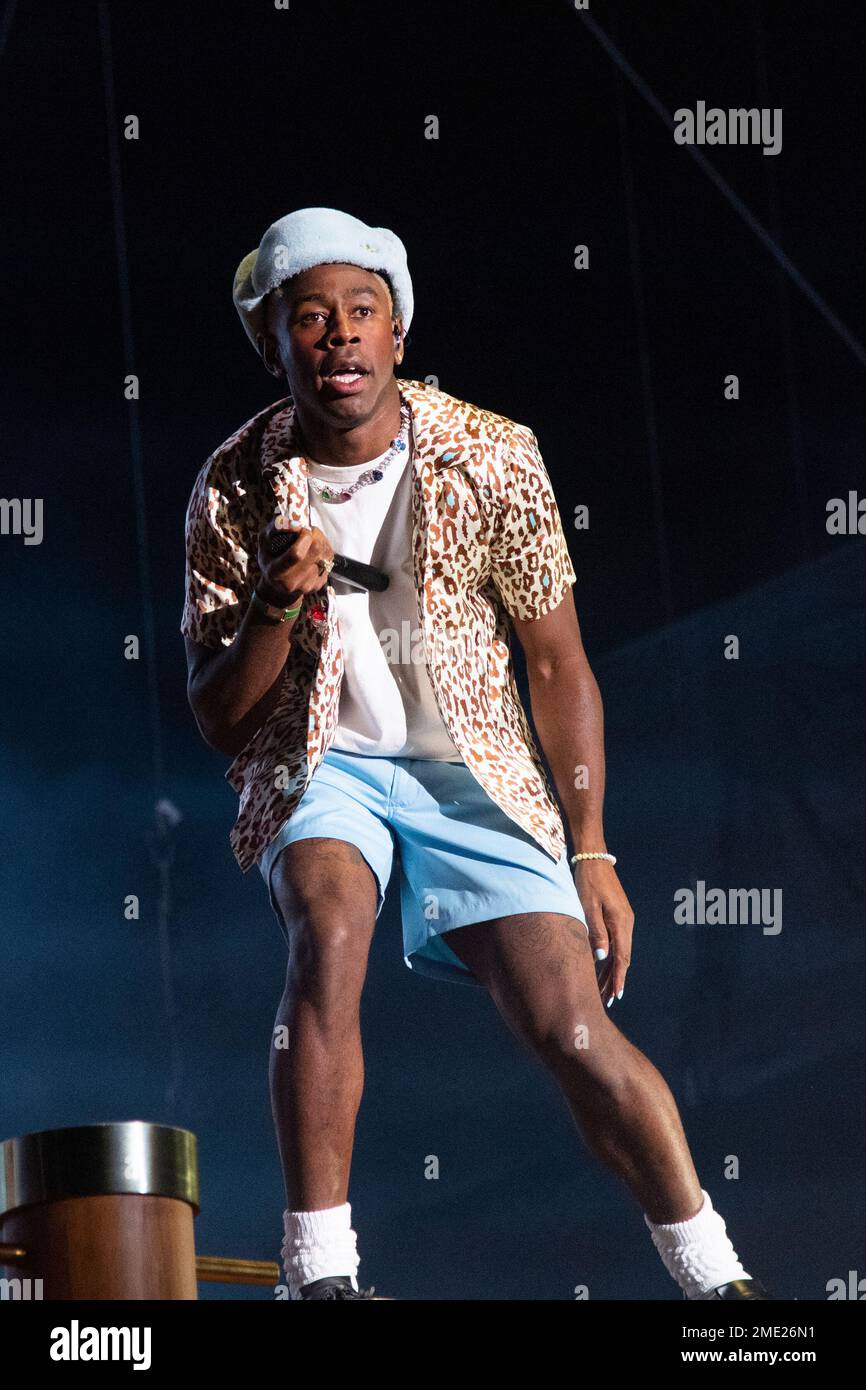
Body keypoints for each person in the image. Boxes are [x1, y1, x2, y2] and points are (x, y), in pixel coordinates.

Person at [181, 207, 775, 1301]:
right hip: (324, 763)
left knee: (569, 1025)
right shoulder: (232, 484)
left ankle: (718, 1282)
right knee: (328, 928)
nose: (339, 338)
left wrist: (591, 849)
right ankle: (319, 1271)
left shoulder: (493, 456)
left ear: (397, 332)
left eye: (360, 312)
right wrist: (273, 600)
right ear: (273, 344)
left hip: (469, 765)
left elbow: (556, 664)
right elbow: (219, 717)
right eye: (309, 319)